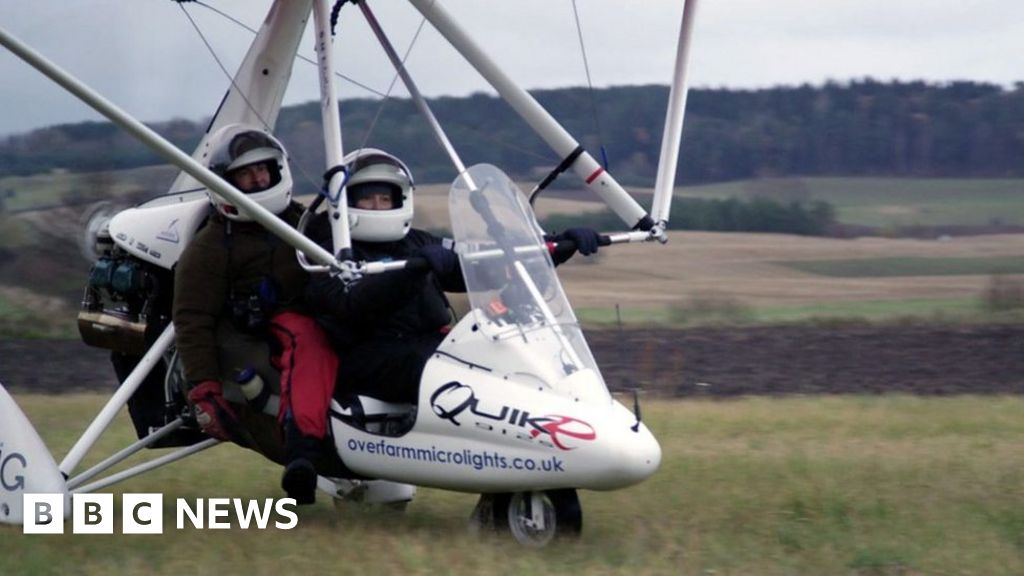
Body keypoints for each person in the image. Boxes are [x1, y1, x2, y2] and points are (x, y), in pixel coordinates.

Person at [306, 148, 602, 405]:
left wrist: (550, 251)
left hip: (430, 347)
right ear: (346, 202)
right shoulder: (329, 251)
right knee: (445, 367)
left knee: (502, 356)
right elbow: (352, 305)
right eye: (368, 199)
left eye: (385, 199)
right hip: (369, 357)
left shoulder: (417, 242)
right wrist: (412, 271)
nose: (377, 206)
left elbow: (478, 267)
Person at [172, 124, 337, 505]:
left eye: (264, 169)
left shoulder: (304, 223)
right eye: (246, 174)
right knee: (309, 339)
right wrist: (204, 389)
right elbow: (192, 320)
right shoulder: (211, 248)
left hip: (313, 320)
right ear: (227, 183)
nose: (259, 178)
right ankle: (304, 454)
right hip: (258, 339)